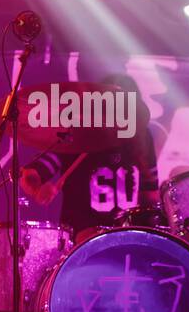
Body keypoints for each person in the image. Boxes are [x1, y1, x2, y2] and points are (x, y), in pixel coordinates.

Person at [20, 73, 160, 241]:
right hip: (82, 238)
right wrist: (34, 185)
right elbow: (38, 170)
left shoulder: (142, 136)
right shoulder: (76, 135)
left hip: (129, 238)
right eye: (110, 106)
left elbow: (150, 194)